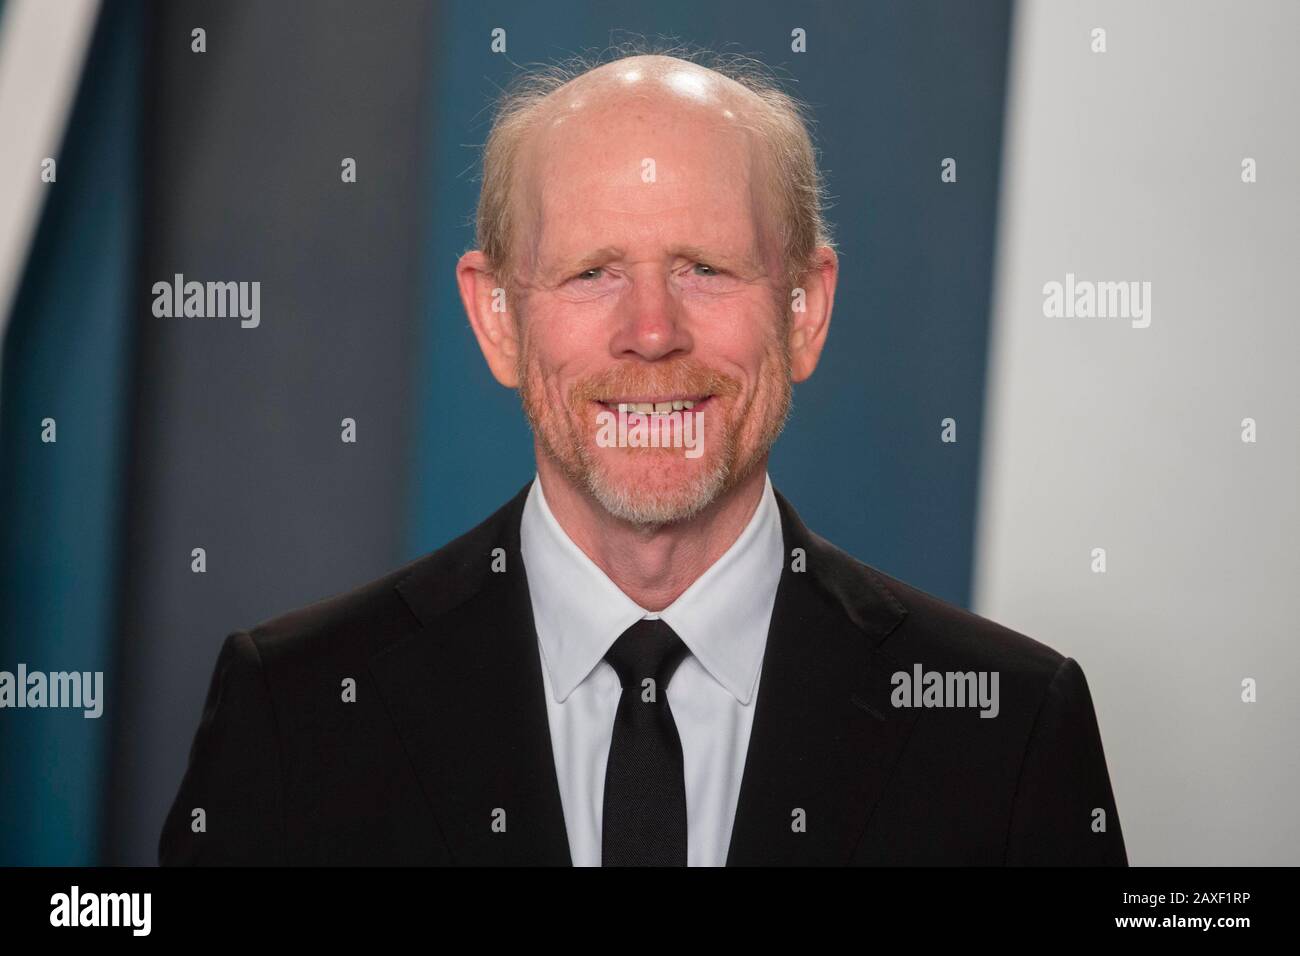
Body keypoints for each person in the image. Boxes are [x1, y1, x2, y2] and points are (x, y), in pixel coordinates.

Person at [160, 50, 1126, 866]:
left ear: (805, 309)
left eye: (705, 268)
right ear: (498, 318)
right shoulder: (293, 715)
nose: (652, 333)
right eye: (593, 273)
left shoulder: (1007, 730)